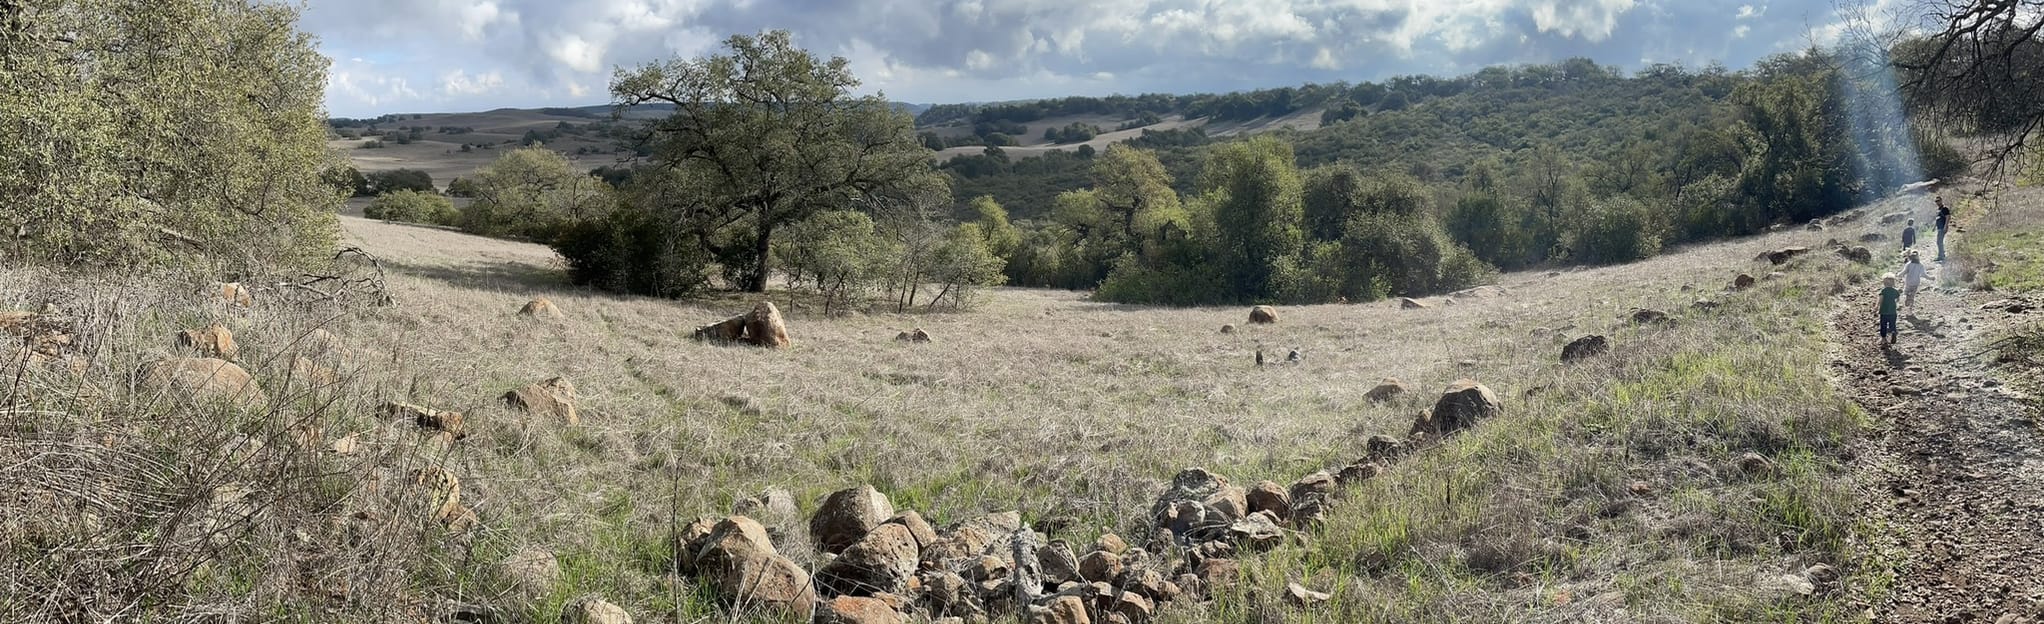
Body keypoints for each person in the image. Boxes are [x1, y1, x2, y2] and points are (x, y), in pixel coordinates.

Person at [1879, 274, 1901, 345]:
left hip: (1884, 312)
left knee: (1883, 325)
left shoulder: (1883, 291)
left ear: (1884, 283)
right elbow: (1898, 299)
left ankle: (1883, 339)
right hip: (1893, 312)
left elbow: (1880, 300)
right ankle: (1893, 332)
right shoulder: (1895, 291)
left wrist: (1876, 307)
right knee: (1892, 324)